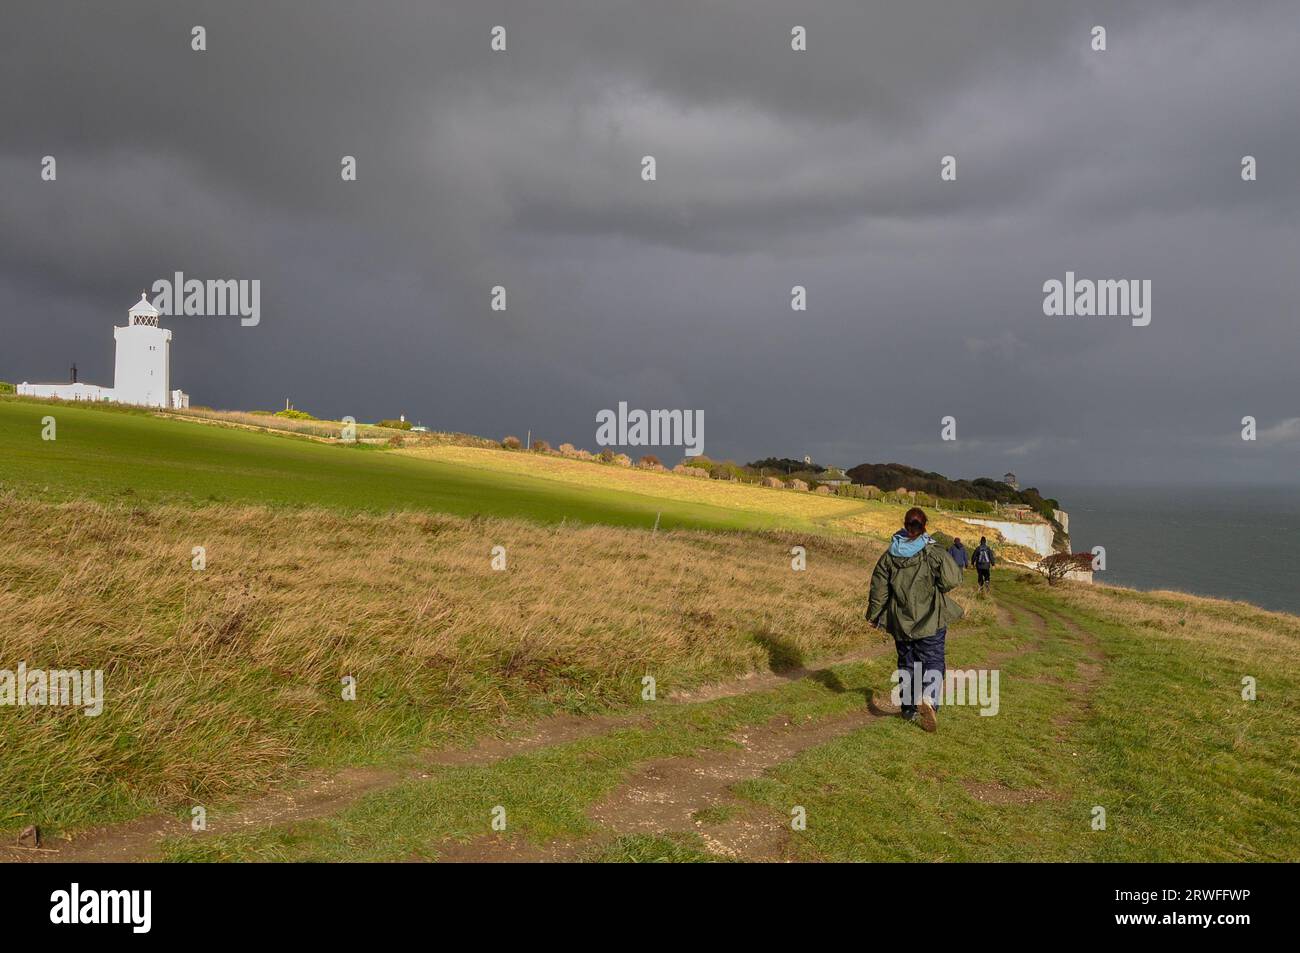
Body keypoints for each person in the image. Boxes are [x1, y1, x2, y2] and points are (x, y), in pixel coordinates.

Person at [866, 507, 964, 732]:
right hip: (931, 619)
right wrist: (937, 584)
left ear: (904, 524)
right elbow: (952, 579)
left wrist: (874, 616)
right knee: (933, 661)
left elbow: (879, 589)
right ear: (925, 526)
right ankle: (928, 699)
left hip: (901, 621)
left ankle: (909, 708)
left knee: (907, 663)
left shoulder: (890, 554)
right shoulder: (932, 551)